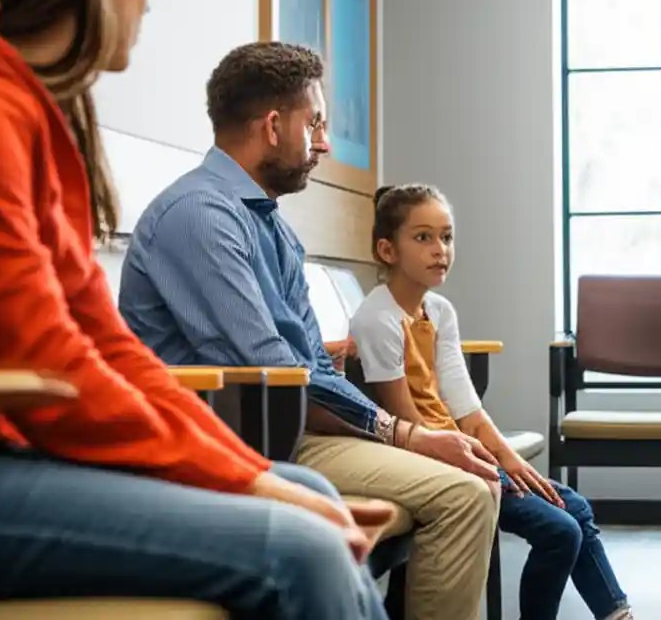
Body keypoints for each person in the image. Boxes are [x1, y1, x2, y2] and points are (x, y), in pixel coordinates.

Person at [0, 0, 391, 618]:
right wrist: (256, 486)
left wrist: (252, 473)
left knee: (313, 496)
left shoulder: (18, 104)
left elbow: (102, 342)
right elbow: (49, 360)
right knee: (304, 548)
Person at [118, 42, 499, 620]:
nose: (322, 142)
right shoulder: (199, 215)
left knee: (471, 479)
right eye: (314, 123)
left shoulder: (270, 227)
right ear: (274, 126)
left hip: (287, 427)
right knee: (463, 493)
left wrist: (398, 429)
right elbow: (272, 368)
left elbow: (309, 368)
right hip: (238, 439)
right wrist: (406, 434)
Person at [350, 183, 636, 620]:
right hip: (430, 460)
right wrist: (492, 469)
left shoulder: (440, 311)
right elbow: (408, 427)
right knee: (561, 531)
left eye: (446, 237)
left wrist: (510, 462)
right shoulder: (376, 318)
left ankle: (618, 614)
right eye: (423, 237)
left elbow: (466, 408)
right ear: (387, 250)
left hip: (460, 449)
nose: (440, 250)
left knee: (574, 507)